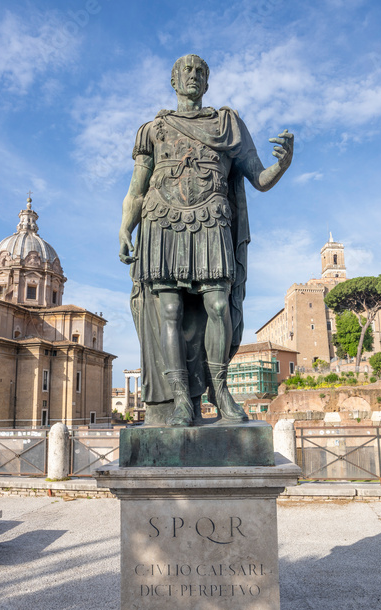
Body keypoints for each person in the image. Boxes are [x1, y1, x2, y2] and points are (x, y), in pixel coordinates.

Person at [119, 54, 294, 426]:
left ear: (208, 82)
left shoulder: (226, 125)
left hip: (211, 219)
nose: (194, 76)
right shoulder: (152, 129)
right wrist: (124, 227)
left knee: (217, 306)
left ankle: (220, 390)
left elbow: (259, 179)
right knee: (169, 312)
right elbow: (136, 189)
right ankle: (181, 400)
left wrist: (283, 164)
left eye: (201, 72)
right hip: (161, 221)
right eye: (187, 71)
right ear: (174, 80)